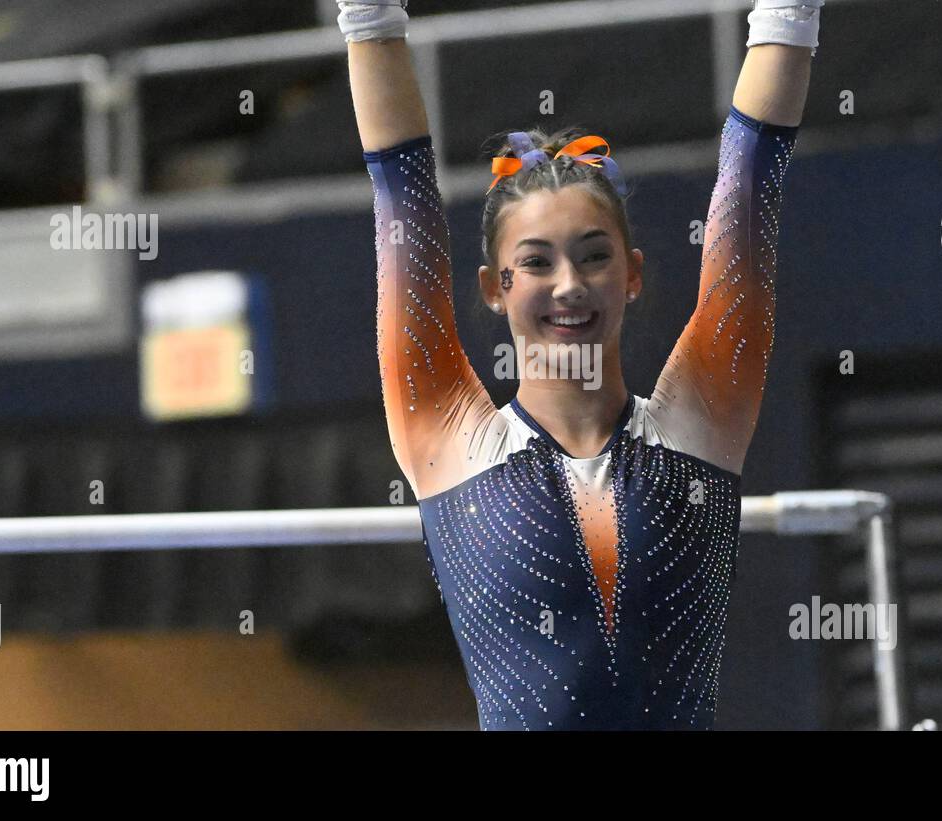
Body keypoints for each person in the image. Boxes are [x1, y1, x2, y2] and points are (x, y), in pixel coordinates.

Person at [338, 0, 820, 729]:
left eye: (594, 256)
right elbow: (400, 199)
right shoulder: (448, 439)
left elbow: (750, 181)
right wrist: (368, 16)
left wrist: (790, 13)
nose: (569, 284)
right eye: (536, 262)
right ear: (495, 288)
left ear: (631, 273)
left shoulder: (700, 426)